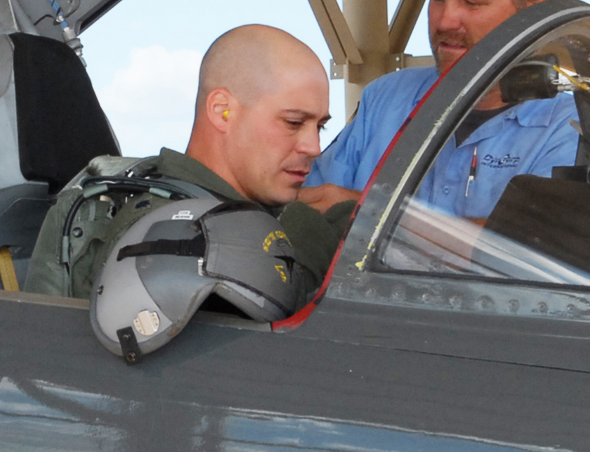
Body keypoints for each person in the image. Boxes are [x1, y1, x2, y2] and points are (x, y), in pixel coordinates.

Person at [26, 24, 351, 307]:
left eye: (320, 127)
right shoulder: (177, 239)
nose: (313, 147)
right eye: (294, 123)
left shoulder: (239, 213)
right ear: (222, 111)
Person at [299, 0, 577, 222]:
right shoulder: (385, 99)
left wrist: (368, 213)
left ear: (535, 11)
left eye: (471, 3)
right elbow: (308, 207)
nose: (445, 21)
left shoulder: (572, 128)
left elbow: (534, 243)